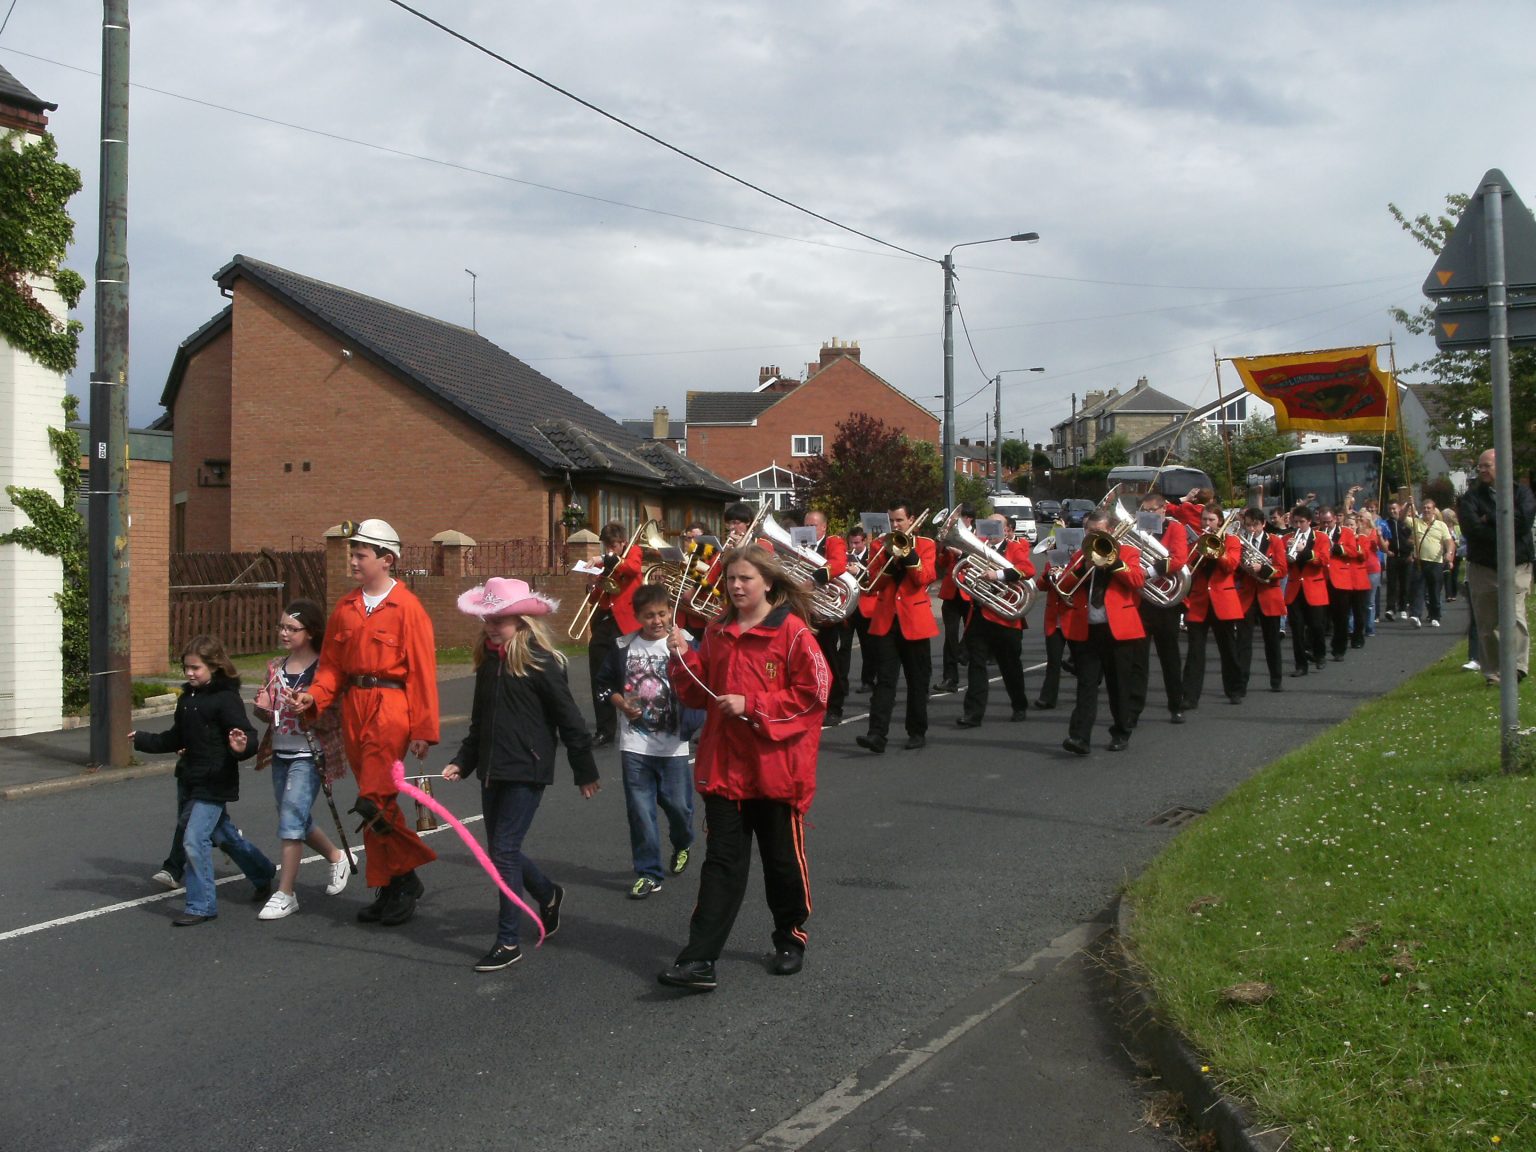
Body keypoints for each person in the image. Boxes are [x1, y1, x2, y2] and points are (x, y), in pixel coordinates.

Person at [658, 545, 828, 993]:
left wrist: (753, 706)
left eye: (745, 579)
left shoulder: (792, 632)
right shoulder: (715, 631)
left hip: (776, 771)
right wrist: (681, 657)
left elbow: (815, 696)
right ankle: (699, 960)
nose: (735, 586)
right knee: (721, 865)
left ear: (768, 582)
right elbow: (699, 695)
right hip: (725, 769)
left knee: (782, 862)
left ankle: (790, 938)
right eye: (730, 579)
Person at [444, 578, 600, 971]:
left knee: (504, 851)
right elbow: (480, 723)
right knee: (501, 851)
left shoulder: (540, 661)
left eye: (501, 619)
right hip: (493, 770)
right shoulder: (488, 662)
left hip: (527, 768)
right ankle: (548, 894)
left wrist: (584, 770)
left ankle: (507, 940)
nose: (493, 626)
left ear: (522, 620)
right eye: (488, 619)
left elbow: (570, 719)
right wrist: (463, 761)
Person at [294, 519, 439, 927]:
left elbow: (423, 672)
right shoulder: (345, 607)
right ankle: (390, 885)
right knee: (378, 802)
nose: (353, 560)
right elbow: (331, 670)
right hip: (353, 708)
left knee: (372, 799)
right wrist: (313, 697)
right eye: (353, 553)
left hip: (390, 706)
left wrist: (423, 731)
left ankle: (406, 876)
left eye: (361, 554)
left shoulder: (408, 609)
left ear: (386, 559)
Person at [132, 635, 275, 927]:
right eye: (186, 667)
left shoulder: (226, 699)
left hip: (214, 780)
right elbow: (177, 737)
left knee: (194, 839)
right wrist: (143, 740)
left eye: (195, 668)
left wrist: (241, 746)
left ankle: (201, 905)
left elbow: (248, 736)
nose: (189, 673)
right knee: (223, 836)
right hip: (189, 777)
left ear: (214, 665)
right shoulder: (188, 700)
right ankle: (262, 871)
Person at [252, 599, 353, 920]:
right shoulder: (275, 668)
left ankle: (285, 893)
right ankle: (336, 856)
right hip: (281, 750)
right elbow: (268, 715)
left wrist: (308, 707)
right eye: (281, 626)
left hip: (310, 753)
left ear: (309, 633)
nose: (284, 632)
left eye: (291, 628)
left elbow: (334, 714)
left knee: (291, 819)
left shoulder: (324, 669)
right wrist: (262, 707)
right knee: (291, 815)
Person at [594, 584, 697, 900]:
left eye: (663, 613)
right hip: (635, 746)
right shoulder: (623, 645)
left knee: (679, 807)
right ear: (638, 617)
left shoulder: (686, 642)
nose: (657, 620)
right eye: (649, 615)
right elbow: (602, 685)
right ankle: (648, 873)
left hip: (673, 744)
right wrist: (621, 704)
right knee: (640, 811)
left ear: (671, 612)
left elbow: (704, 679)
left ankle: (682, 842)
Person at [1060, 510, 1145, 755]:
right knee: (1086, 685)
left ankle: (1121, 731)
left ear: (1111, 531)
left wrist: (1113, 562)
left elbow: (1138, 580)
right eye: (1089, 531)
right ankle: (1079, 737)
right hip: (1088, 629)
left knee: (1118, 684)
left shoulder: (1128, 552)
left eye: (1099, 532)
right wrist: (1081, 568)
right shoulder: (1080, 555)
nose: (1093, 536)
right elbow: (1064, 584)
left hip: (1118, 630)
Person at [857, 499, 938, 754]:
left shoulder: (926, 545)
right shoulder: (879, 546)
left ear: (911, 520)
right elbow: (874, 585)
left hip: (914, 621)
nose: (895, 525)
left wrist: (908, 555)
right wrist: (890, 561)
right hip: (886, 621)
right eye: (891, 521)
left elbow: (925, 578)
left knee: (917, 681)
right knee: (885, 682)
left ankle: (916, 731)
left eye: (899, 520)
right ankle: (876, 734)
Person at [1459, 448, 1536, 684]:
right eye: (1480, 466)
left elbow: (1523, 522)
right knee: (1487, 623)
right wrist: (1503, 526)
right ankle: (1493, 672)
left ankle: (1517, 668)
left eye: (1487, 466)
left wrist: (1490, 518)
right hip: (1484, 567)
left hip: (1517, 564)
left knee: (1515, 616)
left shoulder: (1521, 493)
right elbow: (1472, 530)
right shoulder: (1470, 498)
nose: (1482, 470)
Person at [954, 516, 1035, 728]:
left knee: (1010, 667)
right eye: (988, 524)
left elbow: (1027, 570)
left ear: (1007, 529)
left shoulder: (1014, 548)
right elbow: (964, 573)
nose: (991, 528)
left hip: (1005, 618)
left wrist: (997, 574)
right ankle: (973, 713)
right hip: (980, 616)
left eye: (997, 525)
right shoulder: (979, 547)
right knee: (976, 666)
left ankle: (1019, 704)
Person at [1126, 491, 1192, 726]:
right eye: (1143, 511)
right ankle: (1133, 710)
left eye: (1151, 510)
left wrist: (1149, 571)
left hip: (1166, 604)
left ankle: (1176, 704)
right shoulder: (1136, 531)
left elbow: (1179, 559)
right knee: (1138, 660)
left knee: (1169, 656)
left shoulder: (1175, 529)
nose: (1146, 514)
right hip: (1142, 602)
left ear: (1163, 510)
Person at [587, 521, 646, 746]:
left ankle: (640, 718)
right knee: (599, 674)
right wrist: (593, 584)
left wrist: (606, 559)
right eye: (607, 546)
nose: (610, 550)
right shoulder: (608, 560)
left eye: (613, 546)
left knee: (629, 674)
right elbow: (596, 598)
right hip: (606, 619)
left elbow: (632, 569)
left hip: (628, 621)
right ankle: (605, 729)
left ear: (623, 542)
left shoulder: (634, 551)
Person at [1181, 506, 1245, 707]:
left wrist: (1216, 551)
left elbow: (1231, 566)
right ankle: (1190, 697)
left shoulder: (1232, 541)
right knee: (1195, 652)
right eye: (1204, 520)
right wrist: (1197, 552)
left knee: (1228, 649)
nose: (1207, 524)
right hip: (1199, 602)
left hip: (1223, 602)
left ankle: (1234, 690)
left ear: (1219, 521)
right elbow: (1188, 567)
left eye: (1211, 520)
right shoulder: (1196, 540)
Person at [804, 509, 852, 726]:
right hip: (804, 611)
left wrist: (814, 580)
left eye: (813, 525)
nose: (809, 529)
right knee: (805, 662)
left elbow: (839, 563)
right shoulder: (798, 544)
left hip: (825, 613)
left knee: (830, 661)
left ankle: (835, 706)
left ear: (823, 527)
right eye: (806, 525)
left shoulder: (833, 542)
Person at [1235, 506, 1288, 693]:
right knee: (1243, 641)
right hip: (1248, 595)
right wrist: (1242, 567)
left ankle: (1276, 679)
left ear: (1263, 524)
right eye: (1248, 525)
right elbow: (1234, 570)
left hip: (1268, 594)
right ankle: (1240, 684)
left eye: (1255, 525)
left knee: (1272, 640)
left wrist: (1262, 568)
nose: (1251, 529)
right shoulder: (1240, 542)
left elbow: (1282, 569)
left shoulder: (1274, 541)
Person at [1284, 504, 1330, 675]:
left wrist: (1305, 551)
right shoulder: (1287, 538)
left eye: (1301, 522)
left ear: (1309, 522)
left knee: (1317, 626)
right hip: (1295, 588)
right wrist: (1287, 550)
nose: (1297, 526)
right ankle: (1300, 665)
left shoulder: (1321, 538)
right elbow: (1284, 564)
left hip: (1314, 587)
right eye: (1295, 522)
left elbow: (1323, 560)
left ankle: (1320, 654)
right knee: (1296, 628)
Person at [934, 505, 975, 693]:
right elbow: (941, 565)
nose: (961, 521)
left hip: (971, 592)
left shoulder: (979, 537)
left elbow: (980, 559)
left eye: (964, 517)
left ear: (970, 520)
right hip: (952, 592)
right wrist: (943, 550)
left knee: (973, 634)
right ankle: (950, 678)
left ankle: (970, 663)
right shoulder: (953, 539)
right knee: (950, 637)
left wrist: (962, 554)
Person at [1403, 497, 1453, 628]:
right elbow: (1401, 518)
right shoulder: (1416, 522)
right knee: (1417, 589)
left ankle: (1435, 615)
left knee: (1434, 591)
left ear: (1434, 510)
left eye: (1429, 508)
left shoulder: (1441, 526)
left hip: (1435, 562)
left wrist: (1449, 553)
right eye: (1424, 508)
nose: (1426, 510)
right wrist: (1408, 505)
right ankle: (1416, 615)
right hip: (1419, 561)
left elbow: (1449, 541)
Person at [844, 526, 878, 693]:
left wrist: (858, 572)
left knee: (868, 646)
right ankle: (842, 683)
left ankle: (868, 681)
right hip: (849, 606)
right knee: (844, 647)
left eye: (857, 542)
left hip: (866, 606)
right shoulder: (845, 557)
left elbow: (874, 580)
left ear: (864, 541)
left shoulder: (872, 557)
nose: (854, 546)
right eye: (851, 542)